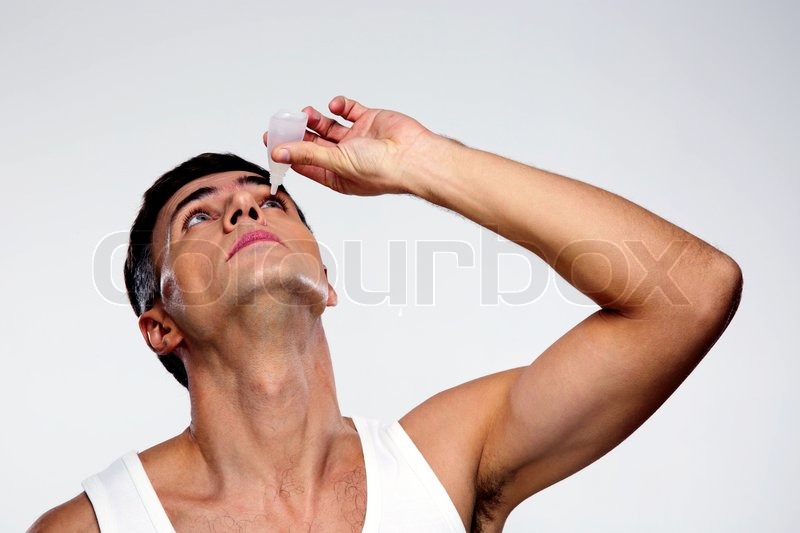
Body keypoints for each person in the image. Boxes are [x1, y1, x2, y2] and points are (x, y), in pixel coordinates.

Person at [29, 96, 742, 532]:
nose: (246, 207)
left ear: (326, 281)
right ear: (161, 324)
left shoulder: (443, 462)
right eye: (197, 218)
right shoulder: (93, 526)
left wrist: (423, 163)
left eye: (269, 198)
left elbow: (694, 291)